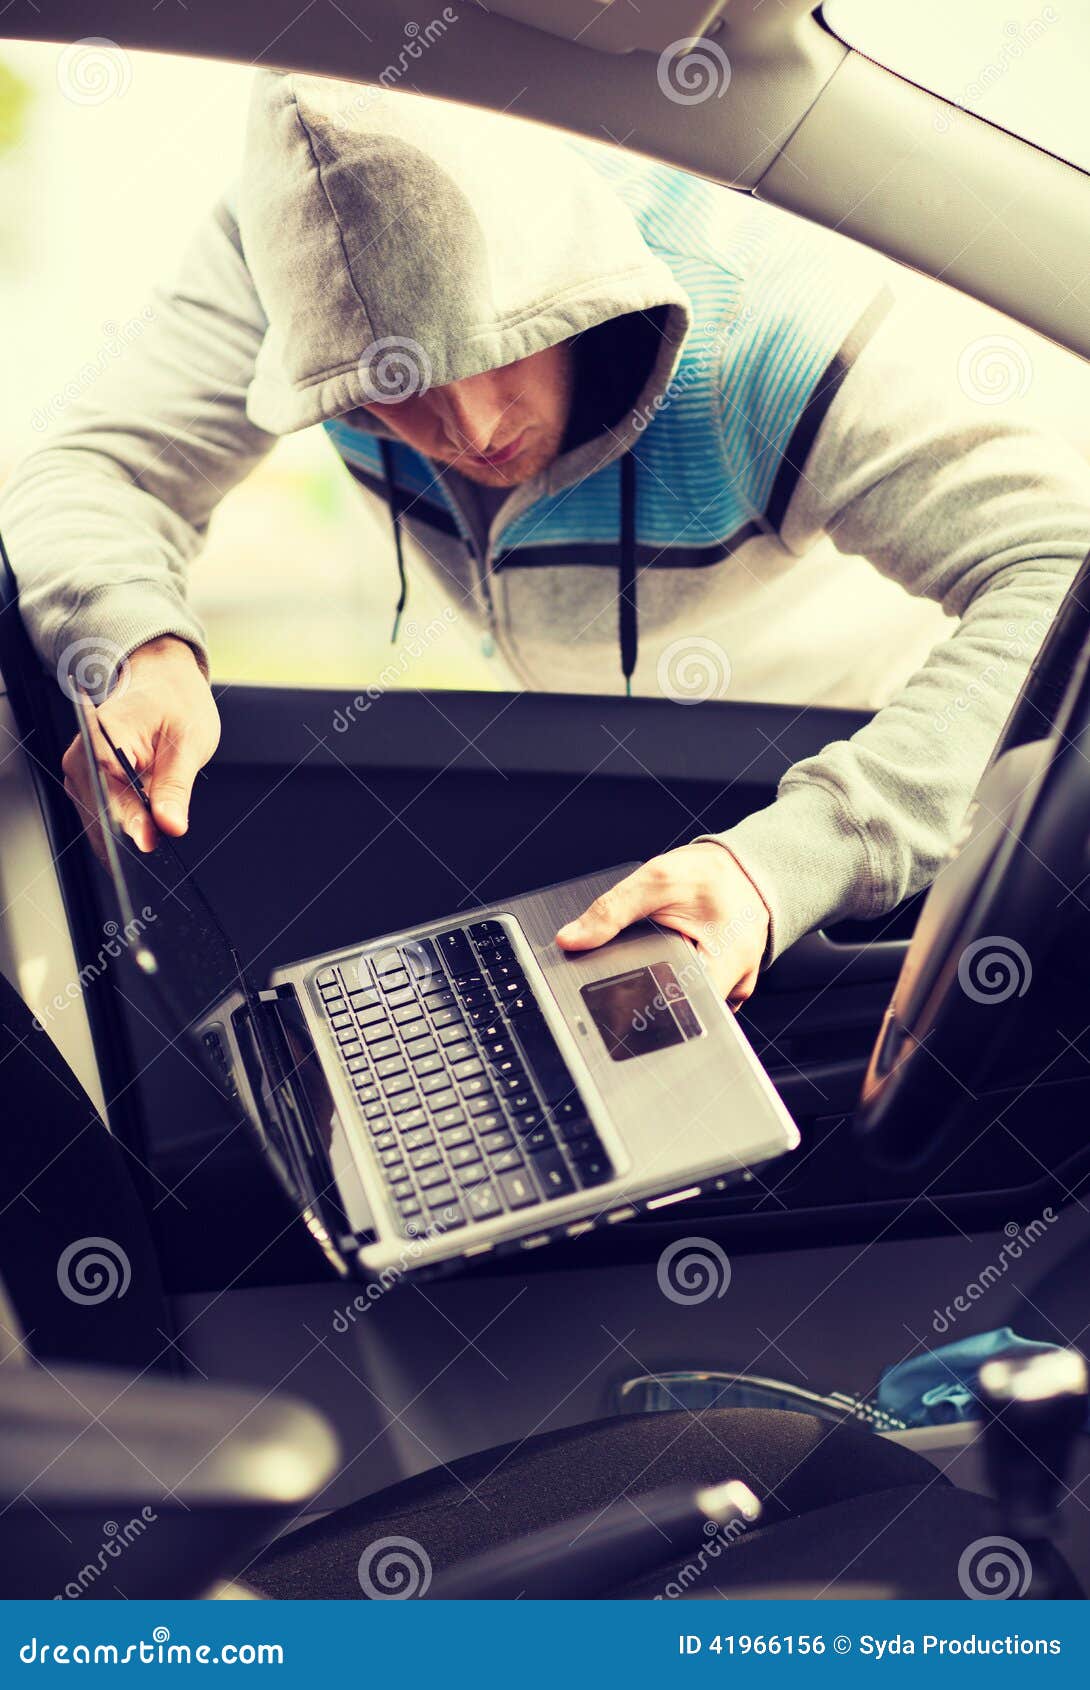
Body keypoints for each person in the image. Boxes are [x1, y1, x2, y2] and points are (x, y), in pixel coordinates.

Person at [4, 72, 1090, 1005]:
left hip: (897, 785)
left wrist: (791, 862)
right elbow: (96, 465)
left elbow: (1063, 565)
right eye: (389, 394)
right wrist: (136, 643)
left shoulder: (764, 336)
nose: (470, 433)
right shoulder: (278, 261)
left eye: (496, 347)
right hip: (626, 763)